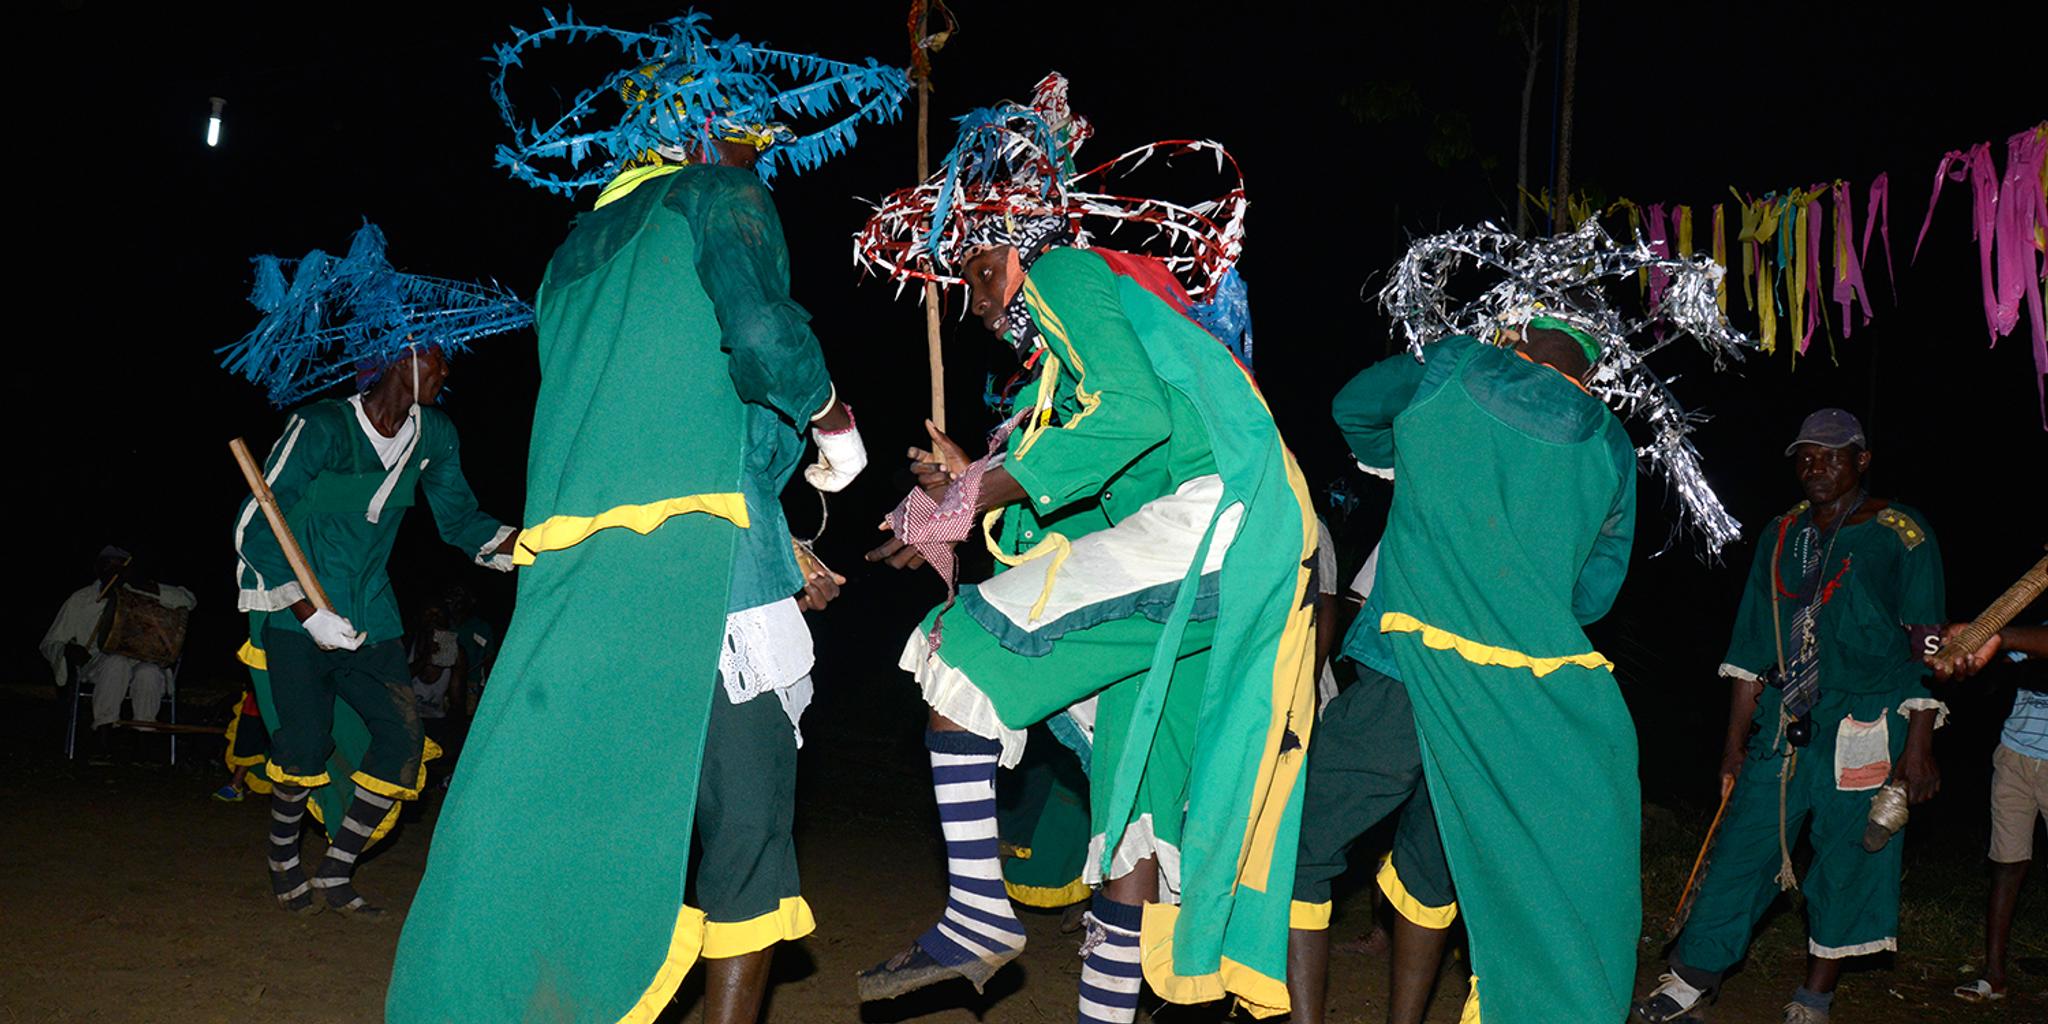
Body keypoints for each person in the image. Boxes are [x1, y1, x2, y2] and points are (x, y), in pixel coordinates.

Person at [387, 13, 903, 1022]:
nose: (765, 157)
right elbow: (759, 341)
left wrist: (785, 537)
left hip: (577, 589)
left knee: (562, 816)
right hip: (702, 580)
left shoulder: (573, 254)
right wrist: (833, 419)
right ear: (711, 130)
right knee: (749, 829)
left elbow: (649, 424)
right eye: (755, 137)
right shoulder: (722, 195)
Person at [858, 102, 1313, 1024]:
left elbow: (1134, 423)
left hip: (1216, 526)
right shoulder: (1080, 348)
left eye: (982, 270)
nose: (978, 301)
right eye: (968, 283)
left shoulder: (1066, 272)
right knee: (1135, 813)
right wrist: (963, 487)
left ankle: (979, 914)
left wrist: (968, 499)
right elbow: (1081, 469)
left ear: (1020, 246)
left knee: (955, 653)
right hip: (1237, 560)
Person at [1637, 408, 1947, 1024]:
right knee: (1744, 846)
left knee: (1851, 852)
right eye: (1805, 456)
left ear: (1861, 460)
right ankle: (1693, 980)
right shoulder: (1782, 534)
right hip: (1785, 717)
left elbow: (1927, 647)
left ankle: (1814, 995)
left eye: (1832, 455)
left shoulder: (1899, 532)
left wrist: (1919, 747)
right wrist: (1733, 746)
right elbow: (1751, 647)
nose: (1816, 467)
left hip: (1868, 721)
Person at [231, 343, 519, 918]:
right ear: (396, 360)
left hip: (372, 616)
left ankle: (337, 871)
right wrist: (311, 615)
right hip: (298, 613)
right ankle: (283, 857)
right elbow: (257, 522)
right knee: (306, 744)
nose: (445, 371)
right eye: (433, 360)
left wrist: (533, 543)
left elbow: (461, 520)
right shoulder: (320, 426)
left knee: (403, 741)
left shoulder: (434, 436)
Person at [1934, 620, 2048, 1004]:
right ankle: (1994, 976)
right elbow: (1996, 661)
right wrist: (1962, 649)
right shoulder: (2037, 626)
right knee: (2007, 863)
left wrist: (1995, 633)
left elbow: (2013, 641)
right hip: (2015, 754)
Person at [41, 546, 197, 763]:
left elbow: (188, 600)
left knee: (149, 672)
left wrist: (141, 585)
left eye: (119, 566)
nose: (113, 571)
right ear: (97, 568)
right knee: (116, 661)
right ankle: (103, 736)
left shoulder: (141, 593)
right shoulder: (82, 599)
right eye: (108, 565)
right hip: (98, 663)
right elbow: (50, 641)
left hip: (142, 658)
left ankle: (144, 739)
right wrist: (67, 649)